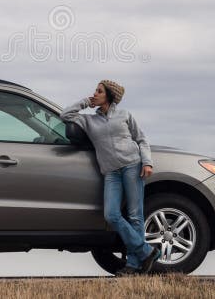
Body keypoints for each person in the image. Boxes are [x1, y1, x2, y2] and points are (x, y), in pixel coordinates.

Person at [61, 79, 161, 275]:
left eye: (99, 91)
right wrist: (84, 102)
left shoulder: (125, 115)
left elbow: (141, 139)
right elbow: (65, 115)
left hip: (132, 165)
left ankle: (133, 266)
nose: (95, 94)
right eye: (95, 91)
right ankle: (146, 251)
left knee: (135, 216)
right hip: (110, 172)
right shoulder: (89, 121)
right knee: (111, 215)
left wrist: (147, 162)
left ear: (109, 96)